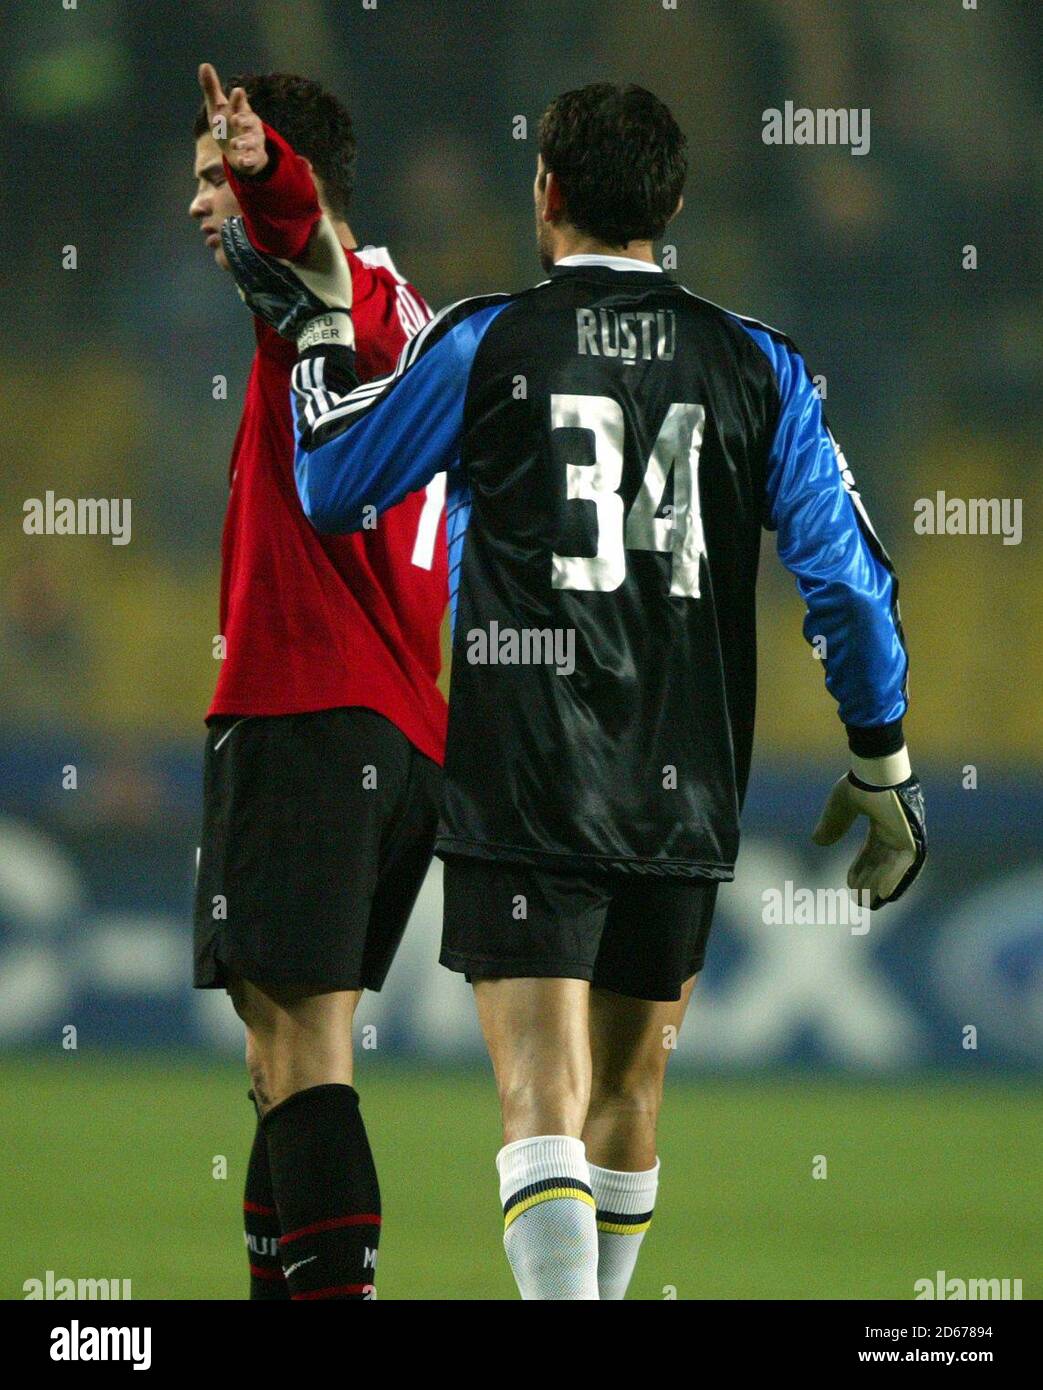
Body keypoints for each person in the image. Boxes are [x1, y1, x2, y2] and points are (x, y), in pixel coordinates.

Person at [221, 81, 927, 1301]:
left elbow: (337, 485)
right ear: (675, 207)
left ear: (542, 191)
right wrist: (880, 762)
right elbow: (851, 588)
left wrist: (321, 339)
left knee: (535, 1097)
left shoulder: (488, 339)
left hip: (523, 767)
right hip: (685, 781)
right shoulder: (760, 366)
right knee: (627, 1094)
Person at [188, 63, 445, 1301]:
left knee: (304, 1057)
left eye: (211, 176)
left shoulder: (312, 283)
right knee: (279, 1058)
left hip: (305, 707)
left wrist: (261, 171)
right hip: (398, 734)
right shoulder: (418, 317)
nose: (202, 205)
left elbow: (296, 227)